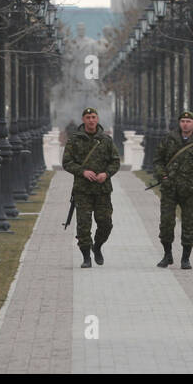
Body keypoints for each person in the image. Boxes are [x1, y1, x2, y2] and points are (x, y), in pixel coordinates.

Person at [154, 110, 193, 270]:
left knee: (189, 224)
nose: (185, 124)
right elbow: (158, 160)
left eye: (188, 121)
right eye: (183, 121)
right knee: (166, 223)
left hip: (190, 190)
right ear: (179, 123)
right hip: (170, 189)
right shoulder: (169, 139)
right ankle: (167, 255)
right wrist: (163, 177)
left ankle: (185, 258)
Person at [62, 107, 121, 268]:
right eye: (88, 117)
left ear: (97, 119)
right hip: (83, 190)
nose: (91, 120)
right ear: (83, 120)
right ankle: (86, 257)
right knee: (83, 225)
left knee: (105, 224)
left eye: (94, 117)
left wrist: (106, 174)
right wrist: (82, 172)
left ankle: (97, 246)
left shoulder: (106, 140)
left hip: (102, 190)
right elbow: (66, 162)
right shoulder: (74, 140)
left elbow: (115, 161)